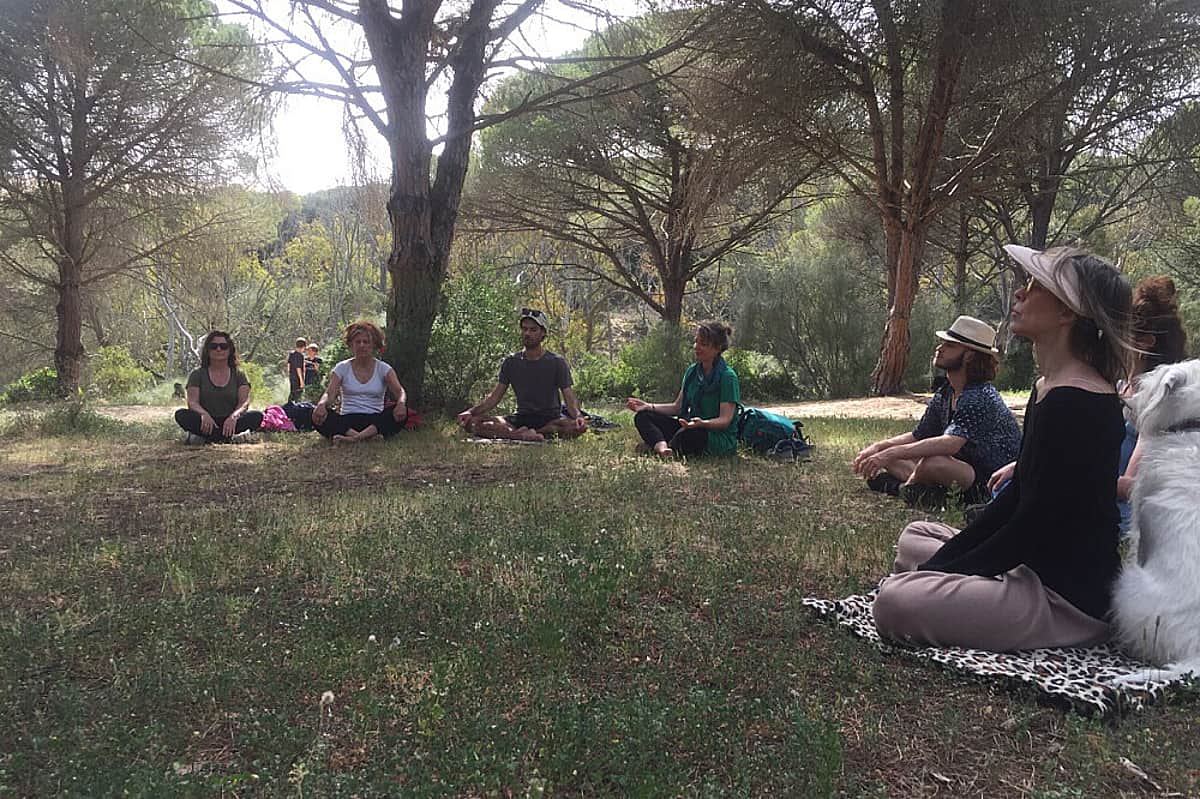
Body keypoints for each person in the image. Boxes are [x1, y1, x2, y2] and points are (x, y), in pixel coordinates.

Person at [872, 245, 1133, 652]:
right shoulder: (1050, 387)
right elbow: (1018, 503)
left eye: (1034, 286)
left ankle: (1059, 625)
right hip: (1026, 562)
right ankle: (952, 584)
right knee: (915, 536)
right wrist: (943, 568)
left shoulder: (1080, 403)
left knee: (892, 604)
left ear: (1067, 313)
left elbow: (1031, 526)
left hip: (1061, 596)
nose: (1019, 295)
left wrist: (940, 572)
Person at [852, 316, 1021, 508]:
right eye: (943, 343)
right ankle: (924, 490)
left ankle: (905, 489)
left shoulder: (979, 395)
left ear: (970, 356)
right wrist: (879, 448)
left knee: (933, 462)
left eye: (950, 345)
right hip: (958, 469)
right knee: (897, 455)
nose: (940, 348)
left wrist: (888, 455)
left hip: (987, 479)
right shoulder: (947, 392)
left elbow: (950, 445)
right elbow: (920, 435)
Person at [1115, 276, 1188, 528]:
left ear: (1145, 342)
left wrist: (1062, 476)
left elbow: (1130, 486)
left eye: (1121, 332)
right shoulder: (1119, 387)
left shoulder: (1159, 400)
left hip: (1126, 517)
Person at [457, 309, 587, 442]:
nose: (527, 333)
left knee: (575, 427)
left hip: (550, 420)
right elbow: (494, 398)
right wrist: (470, 412)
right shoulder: (511, 362)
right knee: (473, 423)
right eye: (524, 329)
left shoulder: (557, 362)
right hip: (520, 418)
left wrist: (578, 416)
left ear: (543, 333)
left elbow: (569, 398)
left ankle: (535, 433)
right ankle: (520, 436)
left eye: (533, 330)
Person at [626, 320, 741, 458]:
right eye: (696, 342)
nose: (697, 347)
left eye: (703, 344)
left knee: (689, 434)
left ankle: (661, 448)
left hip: (713, 436)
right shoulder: (692, 372)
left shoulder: (728, 377)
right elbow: (677, 407)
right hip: (691, 426)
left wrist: (703, 423)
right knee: (643, 416)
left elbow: (725, 420)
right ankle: (663, 449)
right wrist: (648, 406)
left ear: (717, 348)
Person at [312, 321, 408, 445]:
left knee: (399, 412)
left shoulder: (384, 368)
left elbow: (400, 391)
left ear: (373, 345)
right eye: (358, 342)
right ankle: (365, 437)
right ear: (351, 345)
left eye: (366, 342)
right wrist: (321, 404)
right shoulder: (342, 368)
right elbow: (329, 394)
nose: (362, 345)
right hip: (347, 420)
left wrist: (401, 404)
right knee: (317, 415)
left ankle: (351, 439)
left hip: (374, 420)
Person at [174, 330, 263, 444]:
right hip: (207, 422)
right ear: (208, 350)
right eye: (214, 346)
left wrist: (234, 416)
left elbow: (244, 402)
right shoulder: (197, 374)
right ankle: (229, 438)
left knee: (256, 416)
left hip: (231, 421)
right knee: (181, 415)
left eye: (223, 346)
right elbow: (192, 402)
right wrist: (204, 415)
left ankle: (206, 438)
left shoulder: (239, 374)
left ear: (230, 350)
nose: (219, 349)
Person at [287, 337, 307, 403]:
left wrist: (290, 374)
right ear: (303, 346)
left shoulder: (291, 354)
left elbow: (288, 365)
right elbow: (298, 368)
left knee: (292, 392)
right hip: (297, 378)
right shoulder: (300, 356)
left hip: (292, 376)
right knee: (298, 395)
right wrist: (301, 381)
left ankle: (289, 407)